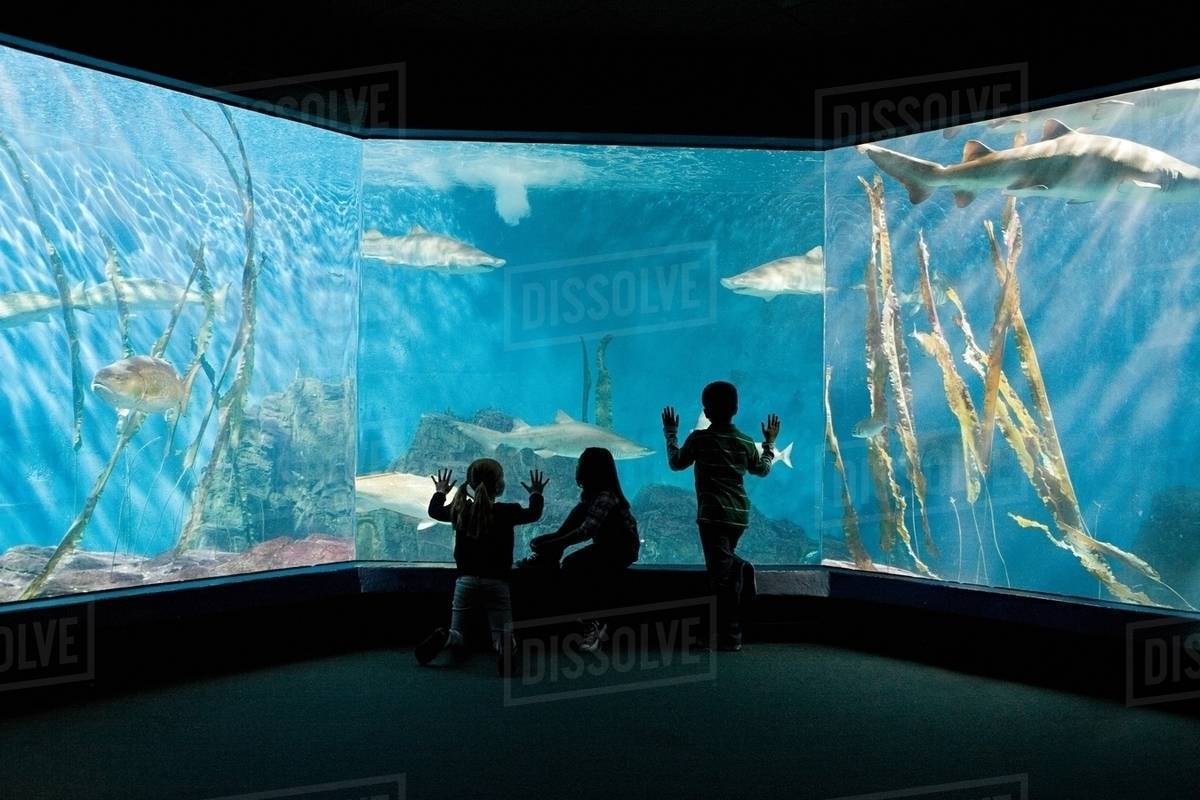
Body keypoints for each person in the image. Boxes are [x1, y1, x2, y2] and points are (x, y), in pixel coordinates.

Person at [662, 381, 779, 651]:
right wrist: (770, 443)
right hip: (739, 515)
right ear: (736, 409)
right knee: (723, 565)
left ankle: (729, 634)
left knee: (719, 579)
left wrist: (670, 434)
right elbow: (762, 470)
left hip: (712, 515)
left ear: (706, 411)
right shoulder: (746, 442)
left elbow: (676, 463)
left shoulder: (700, 439)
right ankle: (738, 568)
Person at [414, 459, 548, 675]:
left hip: (465, 581)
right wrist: (536, 493)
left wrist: (440, 491)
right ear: (499, 485)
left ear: (470, 482)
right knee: (501, 634)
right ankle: (504, 648)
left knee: (458, 632)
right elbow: (534, 513)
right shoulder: (507, 511)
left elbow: (434, 512)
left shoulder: (460, 509)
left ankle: (446, 637)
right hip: (497, 582)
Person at [525, 447, 639, 651]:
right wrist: (550, 541)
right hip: (606, 545)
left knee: (572, 564)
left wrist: (554, 544)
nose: (577, 468)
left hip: (621, 549)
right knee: (570, 538)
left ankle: (592, 622)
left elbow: (585, 532)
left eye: (580, 465)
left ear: (590, 471)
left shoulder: (606, 497)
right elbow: (569, 528)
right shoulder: (590, 497)